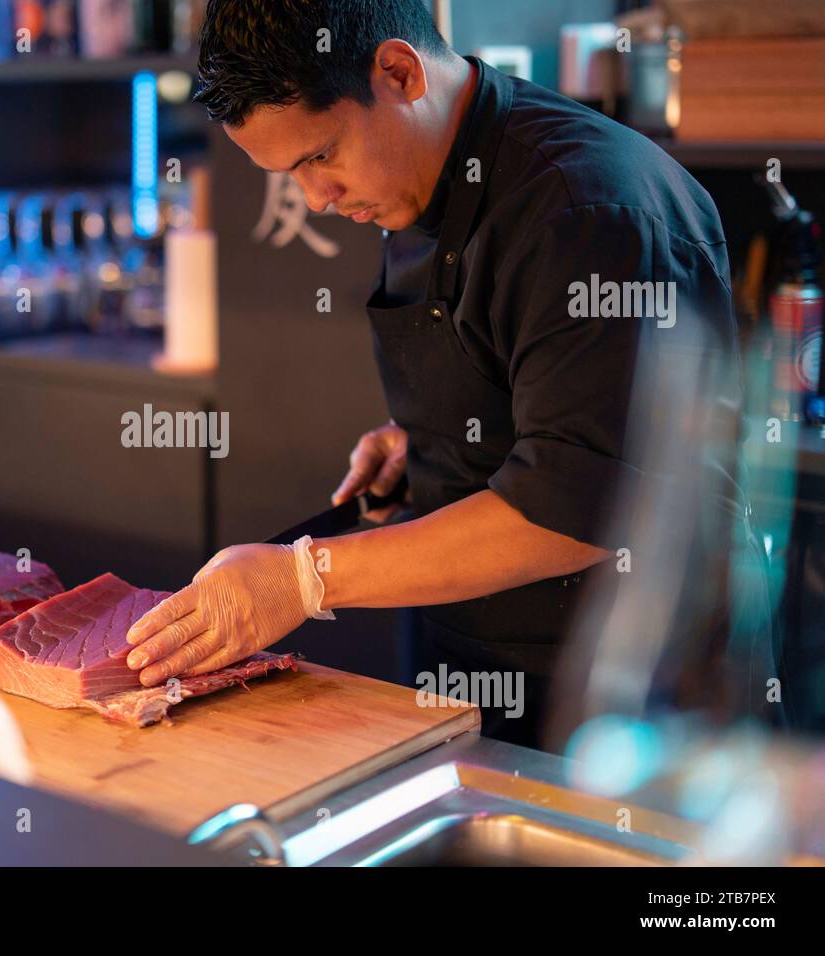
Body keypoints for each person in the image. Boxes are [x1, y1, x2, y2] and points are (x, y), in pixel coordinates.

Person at [124, 0, 767, 748]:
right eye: (290, 174)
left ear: (398, 72)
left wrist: (303, 579)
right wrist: (436, 435)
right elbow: (544, 377)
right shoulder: (413, 177)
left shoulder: (587, 207)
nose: (317, 201)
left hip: (631, 700)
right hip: (474, 672)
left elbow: (580, 502)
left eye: (320, 157)